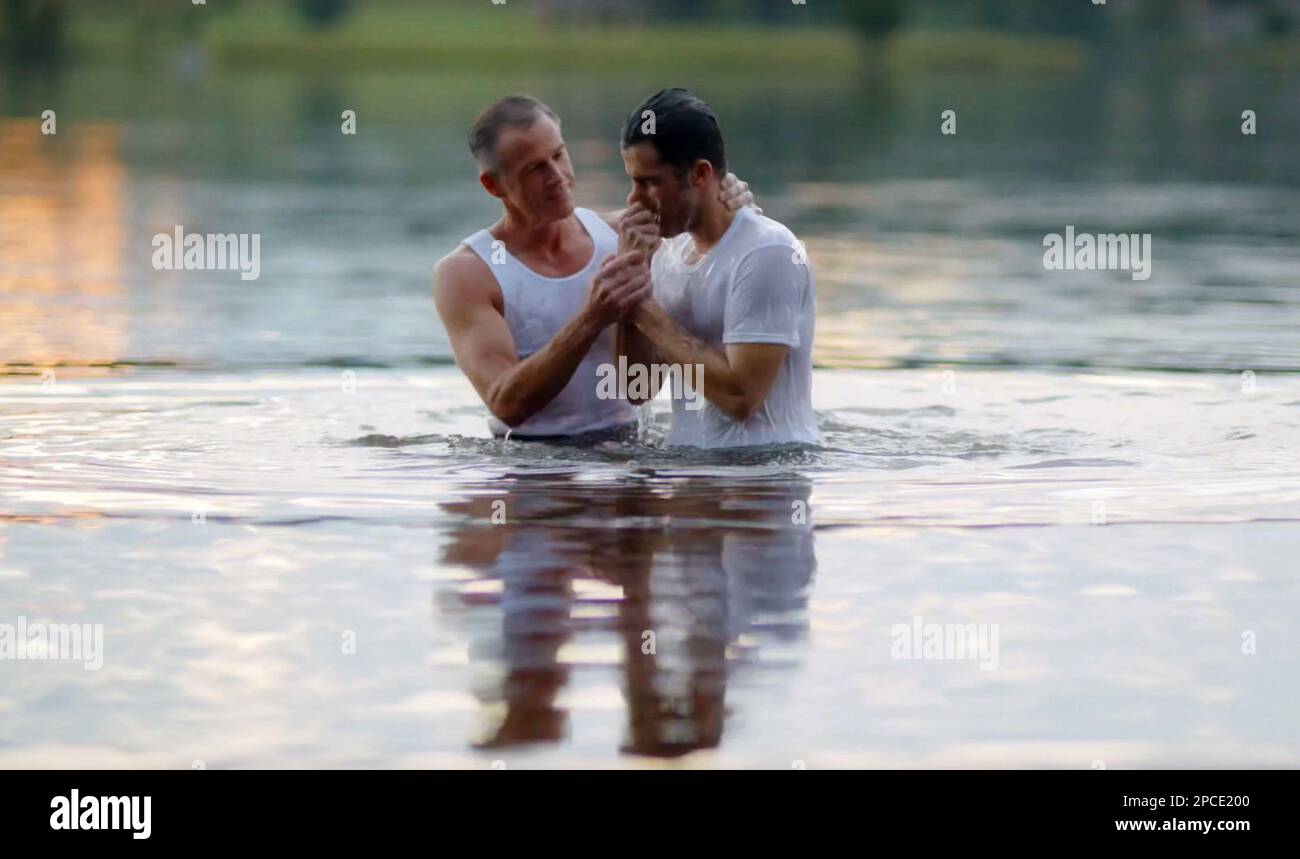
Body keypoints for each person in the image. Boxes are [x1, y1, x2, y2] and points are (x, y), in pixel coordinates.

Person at [432, 94, 754, 442]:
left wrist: (728, 193)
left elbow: (640, 388)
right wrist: (592, 317)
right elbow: (506, 404)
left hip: (627, 444)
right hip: (533, 461)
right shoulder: (465, 273)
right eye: (534, 168)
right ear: (493, 185)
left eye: (558, 155)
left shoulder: (626, 233)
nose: (557, 176)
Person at [616, 88, 820, 449]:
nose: (634, 199)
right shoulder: (665, 255)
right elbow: (637, 388)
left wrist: (642, 309)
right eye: (632, 181)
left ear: (700, 173)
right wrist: (632, 276)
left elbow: (741, 398)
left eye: (650, 182)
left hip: (762, 476)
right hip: (689, 476)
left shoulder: (768, 252)